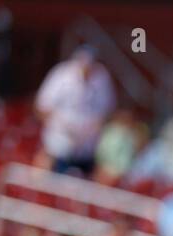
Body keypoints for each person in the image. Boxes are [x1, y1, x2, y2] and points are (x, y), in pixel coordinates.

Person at [33, 45, 115, 175]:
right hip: (60, 137)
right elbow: (42, 106)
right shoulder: (62, 74)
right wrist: (61, 126)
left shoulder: (102, 77)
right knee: (46, 167)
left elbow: (107, 111)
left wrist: (88, 130)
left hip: (87, 143)